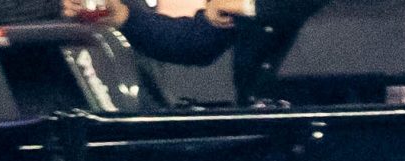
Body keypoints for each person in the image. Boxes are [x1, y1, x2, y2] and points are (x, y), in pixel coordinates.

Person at [89, 0, 326, 103]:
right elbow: (196, 42)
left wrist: (247, 5)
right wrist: (124, 17)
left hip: (339, 121)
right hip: (271, 131)